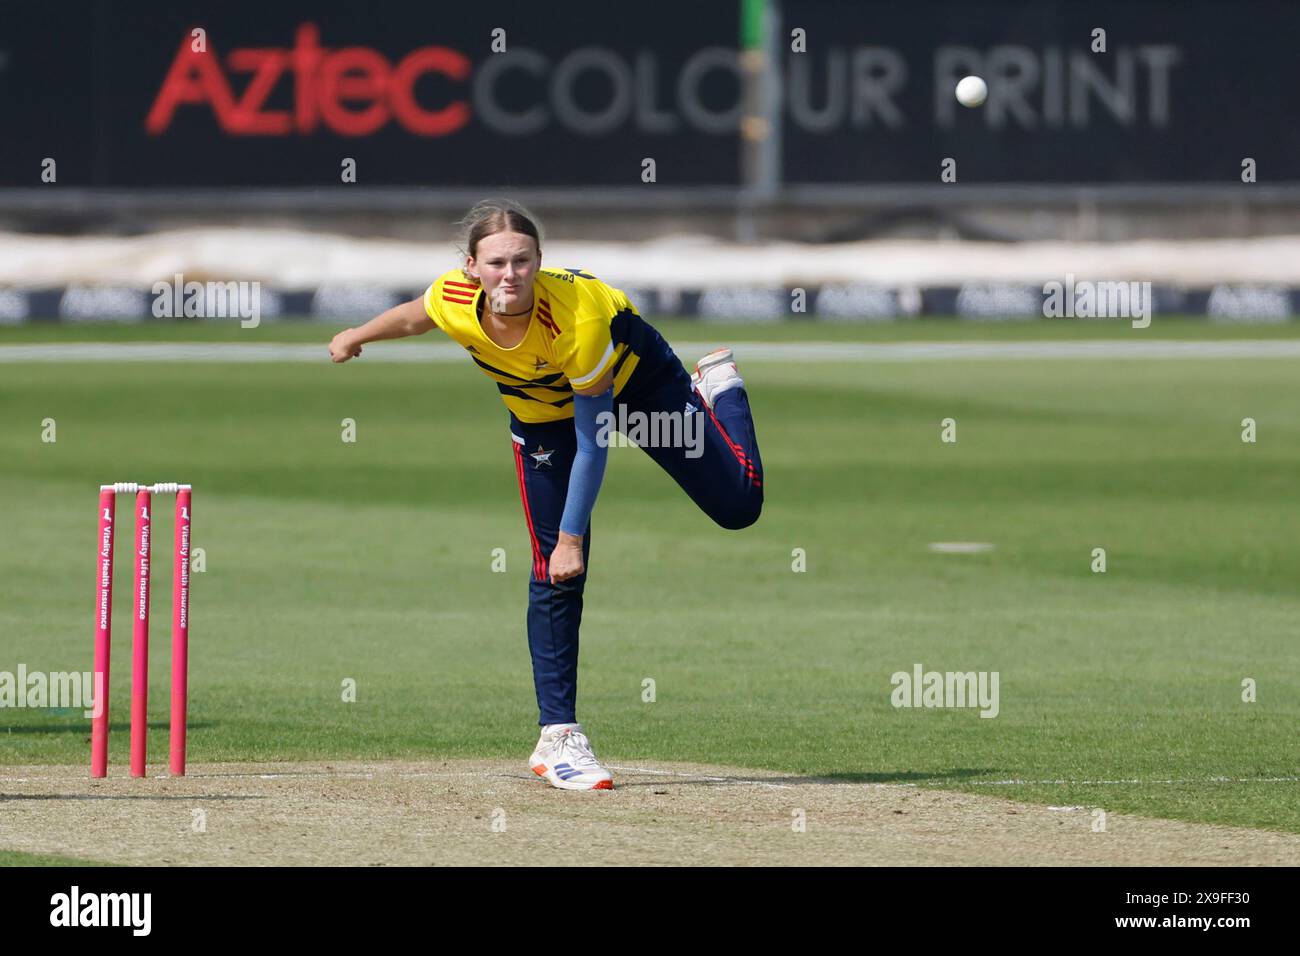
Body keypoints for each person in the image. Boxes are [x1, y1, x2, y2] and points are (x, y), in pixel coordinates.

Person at [328, 199, 764, 790]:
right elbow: (416, 315)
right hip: (540, 422)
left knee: (739, 507)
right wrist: (356, 336)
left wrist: (572, 537)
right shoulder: (455, 296)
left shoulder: (577, 320)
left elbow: (594, 441)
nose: (511, 275)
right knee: (553, 574)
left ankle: (719, 390)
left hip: (640, 385)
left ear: (539, 262)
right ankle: (558, 736)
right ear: (471, 268)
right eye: (497, 263)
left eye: (523, 261)